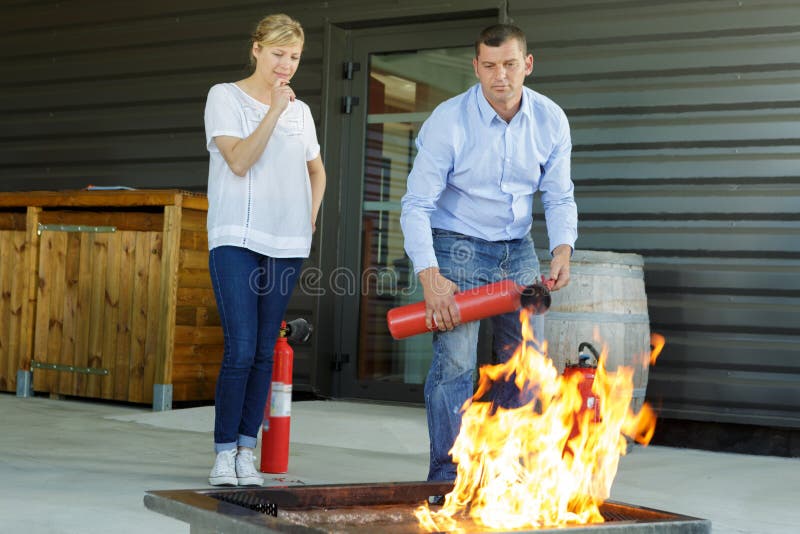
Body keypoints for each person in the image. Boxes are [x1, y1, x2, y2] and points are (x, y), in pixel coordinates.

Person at [400, 23, 578, 483]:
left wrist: (562, 249)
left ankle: (500, 473)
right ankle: (447, 475)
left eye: (510, 65)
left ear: (528, 65)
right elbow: (416, 204)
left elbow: (559, 196)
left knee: (524, 357)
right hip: (456, 244)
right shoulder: (447, 120)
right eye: (490, 65)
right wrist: (430, 276)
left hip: (517, 249)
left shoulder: (551, 119)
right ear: (476, 66)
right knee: (456, 360)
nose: (501, 76)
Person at [203, 13, 326, 486]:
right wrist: (274, 109)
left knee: (262, 353)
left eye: (294, 57)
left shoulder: (303, 112)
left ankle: (246, 454)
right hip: (236, 239)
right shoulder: (225, 97)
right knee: (240, 348)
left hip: (286, 245)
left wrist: (308, 218)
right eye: (278, 54)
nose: (286, 65)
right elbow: (238, 161)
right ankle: (222, 453)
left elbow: (319, 172)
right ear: (256, 49)